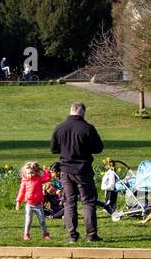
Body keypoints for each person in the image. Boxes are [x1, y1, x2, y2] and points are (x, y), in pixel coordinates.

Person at [50, 102, 105, 244]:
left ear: (71, 111)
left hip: (66, 170)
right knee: (88, 202)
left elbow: (54, 150)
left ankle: (72, 235)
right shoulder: (88, 128)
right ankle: (91, 234)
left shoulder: (60, 128)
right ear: (83, 112)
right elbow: (99, 148)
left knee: (69, 203)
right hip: (83, 170)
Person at [15, 162, 52, 241]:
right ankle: (26, 234)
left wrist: (46, 171)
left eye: (32, 173)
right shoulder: (24, 182)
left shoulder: (39, 179)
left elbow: (48, 178)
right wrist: (18, 202)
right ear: (25, 173)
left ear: (35, 172)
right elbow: (21, 192)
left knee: (42, 221)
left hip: (38, 205)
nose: (30, 175)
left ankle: (45, 234)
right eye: (28, 173)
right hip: (29, 205)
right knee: (28, 221)